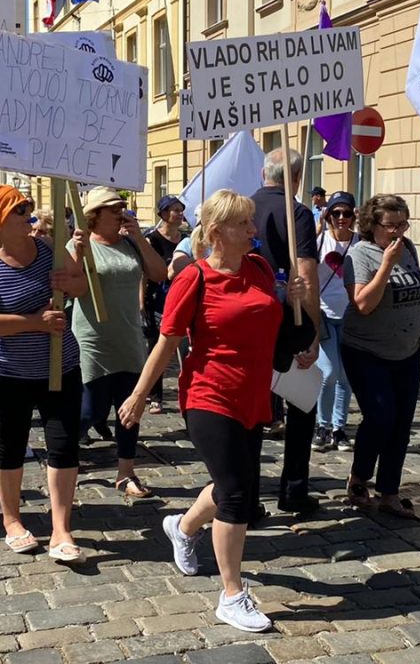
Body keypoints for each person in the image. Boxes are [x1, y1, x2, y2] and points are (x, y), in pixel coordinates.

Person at [122, 189, 307, 632]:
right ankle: (232, 594)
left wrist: (293, 298)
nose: (253, 230)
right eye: (244, 223)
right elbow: (167, 342)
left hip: (253, 395)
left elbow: (272, 321)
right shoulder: (194, 278)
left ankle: (183, 528)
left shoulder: (260, 268)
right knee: (238, 494)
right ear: (218, 231)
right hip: (209, 395)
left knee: (232, 486)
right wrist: (139, 395)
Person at [0, 185, 89, 561]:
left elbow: (82, 284)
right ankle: (12, 520)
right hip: (7, 373)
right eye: (19, 209)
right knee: (10, 445)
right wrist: (35, 322)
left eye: (27, 207)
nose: (27, 214)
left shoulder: (48, 248)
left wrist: (69, 283)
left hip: (59, 368)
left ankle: (61, 528)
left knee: (63, 444)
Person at [340, 194, 420, 516]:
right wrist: (386, 265)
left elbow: (416, 292)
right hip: (366, 350)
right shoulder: (359, 254)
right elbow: (363, 304)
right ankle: (359, 476)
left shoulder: (407, 248)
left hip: (407, 351)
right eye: (391, 225)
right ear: (372, 225)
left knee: (401, 424)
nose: (398, 231)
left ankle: (389, 493)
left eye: (402, 224)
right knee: (381, 416)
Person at [71, 187, 168, 498]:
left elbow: (159, 273)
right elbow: (67, 284)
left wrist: (140, 238)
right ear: (95, 215)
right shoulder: (83, 244)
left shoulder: (130, 243)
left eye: (122, 207)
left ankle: (126, 473)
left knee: (130, 408)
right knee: (91, 409)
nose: (121, 212)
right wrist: (76, 253)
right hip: (94, 339)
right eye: (113, 208)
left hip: (128, 337)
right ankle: (64, 452)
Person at [251, 148, 320, 515]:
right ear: (295, 178)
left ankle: (245, 497)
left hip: (247, 321)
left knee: (250, 410)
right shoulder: (297, 213)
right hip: (286, 321)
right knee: (302, 404)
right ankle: (293, 489)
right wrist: (312, 333)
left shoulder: (243, 208)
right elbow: (305, 274)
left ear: (264, 174)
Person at [313, 191, 359, 453]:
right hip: (324, 316)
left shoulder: (360, 243)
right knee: (329, 372)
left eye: (347, 213)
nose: (342, 218)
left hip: (352, 316)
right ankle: (322, 425)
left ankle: (339, 429)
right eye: (336, 213)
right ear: (328, 214)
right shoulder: (320, 241)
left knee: (346, 375)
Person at [143, 195, 187, 414]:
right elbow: (143, 272)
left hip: (182, 298)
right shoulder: (152, 239)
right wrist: (140, 302)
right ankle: (155, 396)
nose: (179, 214)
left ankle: (187, 395)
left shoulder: (186, 240)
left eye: (180, 210)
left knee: (185, 351)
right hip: (157, 300)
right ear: (163, 214)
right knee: (156, 348)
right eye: (174, 210)